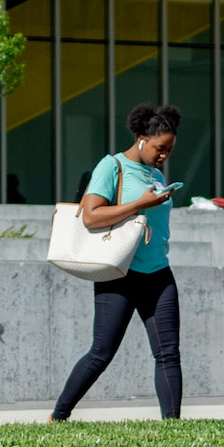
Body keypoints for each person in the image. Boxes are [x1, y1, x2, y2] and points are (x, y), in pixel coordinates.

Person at [51, 104, 184, 422]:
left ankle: (173, 425)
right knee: (101, 353)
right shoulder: (112, 166)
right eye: (159, 148)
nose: (164, 155)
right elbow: (91, 216)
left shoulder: (156, 174)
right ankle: (58, 416)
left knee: (168, 353)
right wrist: (140, 203)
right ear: (141, 139)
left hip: (158, 273)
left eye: (169, 150)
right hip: (119, 273)